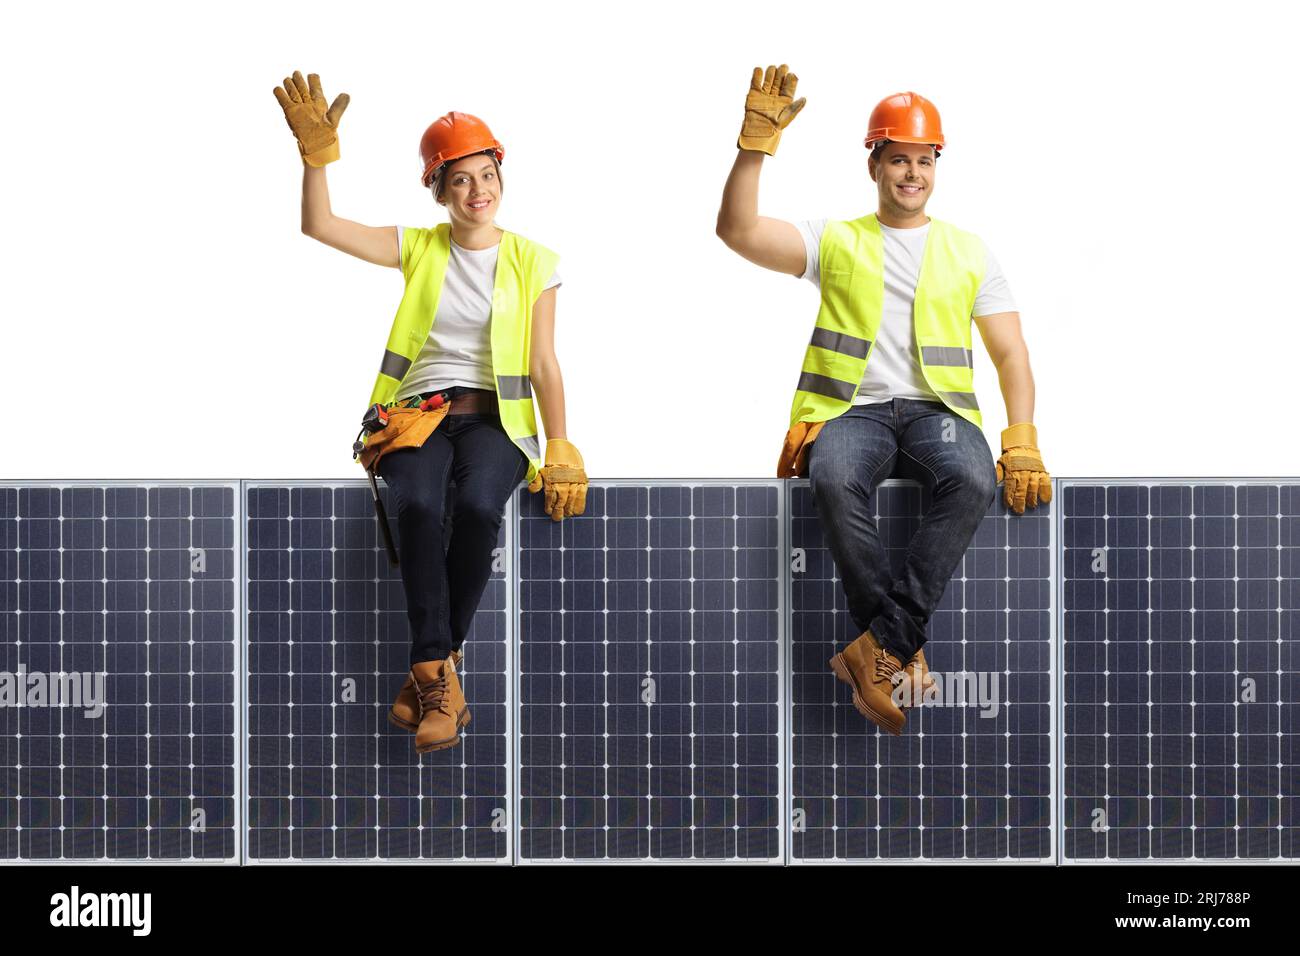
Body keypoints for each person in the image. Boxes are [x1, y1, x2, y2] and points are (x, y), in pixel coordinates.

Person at [716, 65, 1051, 735]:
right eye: (898, 159)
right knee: (834, 475)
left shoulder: (968, 251)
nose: (911, 173)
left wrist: (1022, 435)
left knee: (969, 478)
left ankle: (881, 646)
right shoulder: (835, 240)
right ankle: (896, 649)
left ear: (936, 166)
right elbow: (738, 229)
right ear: (875, 164)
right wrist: (754, 148)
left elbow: (1010, 352)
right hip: (852, 411)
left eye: (923, 161)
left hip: (938, 414)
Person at [273, 71, 587, 754]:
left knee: (477, 508)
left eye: (485, 175)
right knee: (418, 505)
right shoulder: (418, 248)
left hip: (497, 420)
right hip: (418, 415)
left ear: (501, 175)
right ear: (438, 190)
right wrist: (314, 162)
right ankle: (439, 678)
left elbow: (542, 364)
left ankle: (429, 678)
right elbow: (318, 224)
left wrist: (559, 445)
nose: (477, 192)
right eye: (460, 180)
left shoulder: (537, 261)